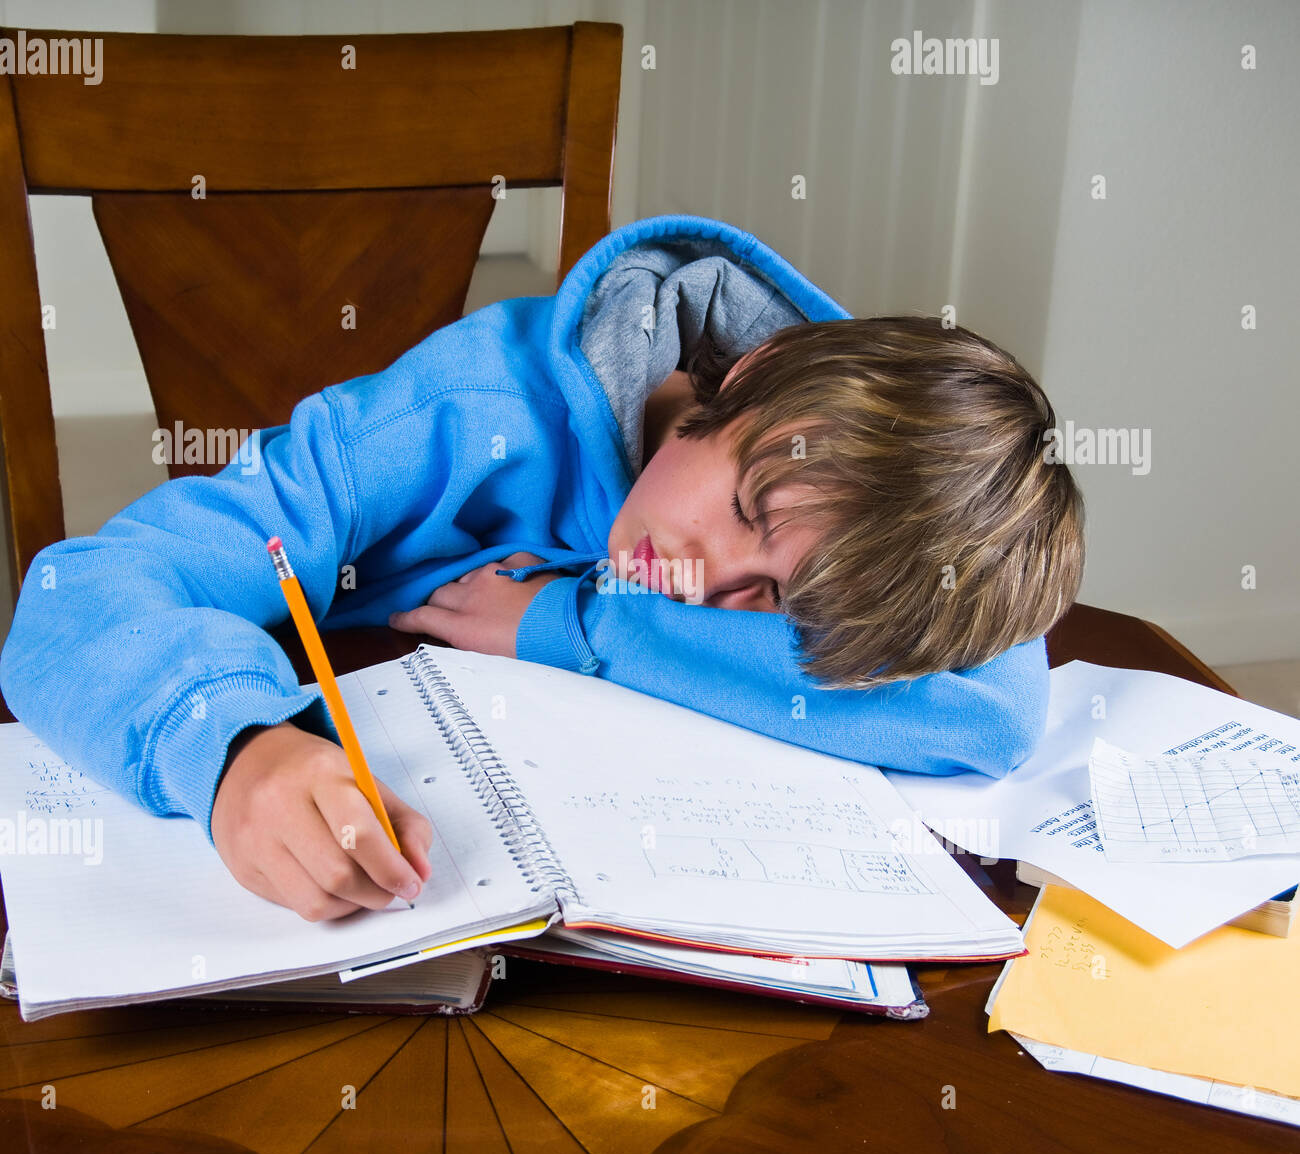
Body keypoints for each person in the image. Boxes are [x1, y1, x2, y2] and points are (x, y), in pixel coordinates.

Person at [0, 213, 1083, 922]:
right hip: (281, 810)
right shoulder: (459, 413)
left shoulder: (865, 491)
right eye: (747, 510)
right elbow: (72, 596)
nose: (702, 583)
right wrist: (230, 750)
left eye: (769, 600)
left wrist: (573, 628)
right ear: (750, 373)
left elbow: (984, 706)